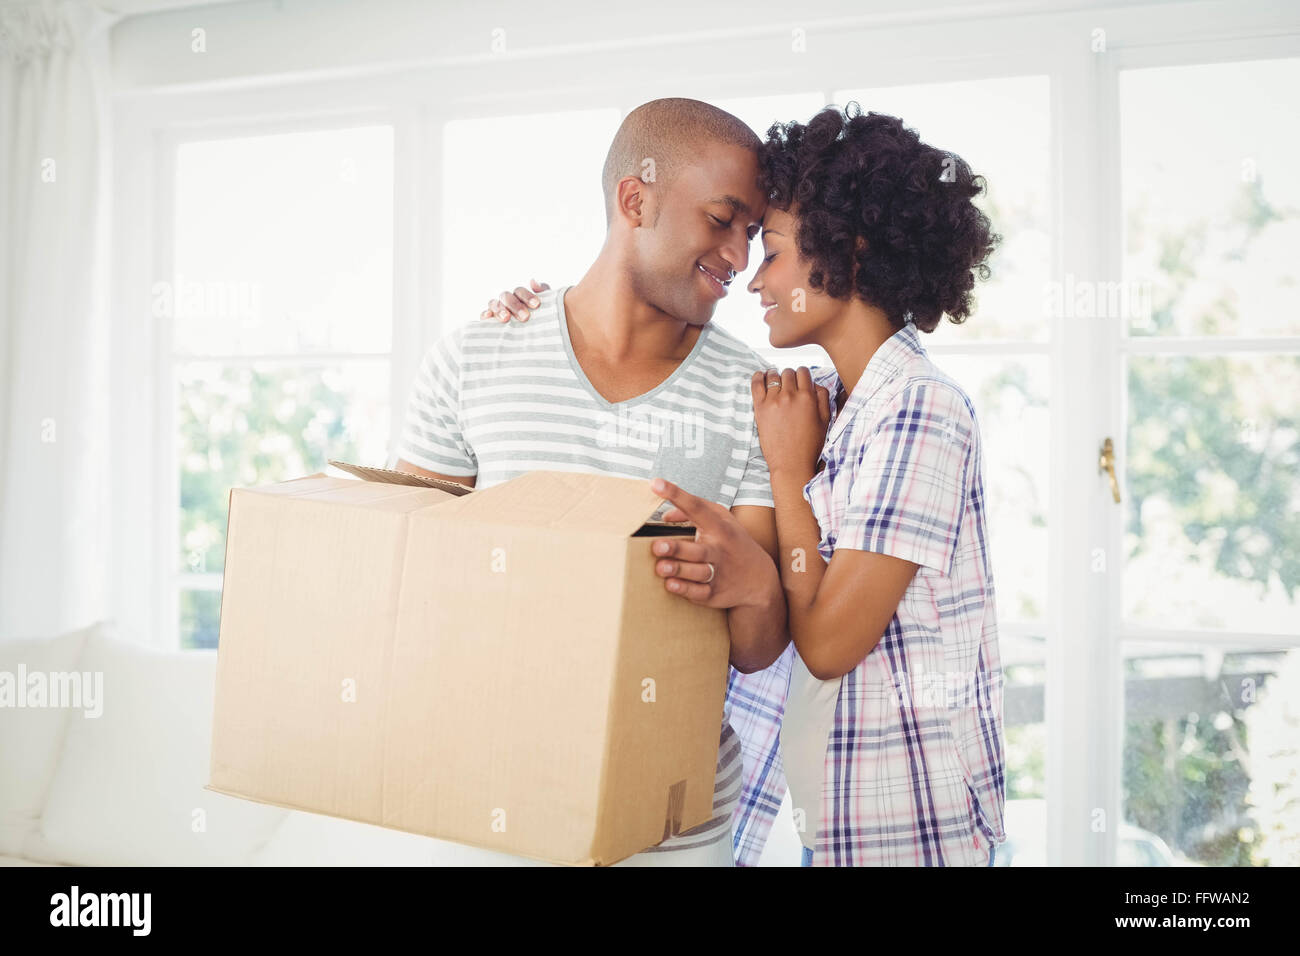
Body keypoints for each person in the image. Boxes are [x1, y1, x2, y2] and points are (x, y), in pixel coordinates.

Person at [488, 102, 1007, 866]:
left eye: (774, 251)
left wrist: (792, 474)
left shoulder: (920, 411)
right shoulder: (834, 398)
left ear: (847, 256)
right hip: (830, 817)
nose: (751, 276)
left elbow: (827, 643)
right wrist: (528, 310)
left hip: (907, 823)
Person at [391, 97, 789, 866]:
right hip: (495, 806)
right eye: (721, 220)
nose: (740, 259)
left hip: (673, 826)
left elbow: (755, 649)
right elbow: (408, 583)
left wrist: (757, 586)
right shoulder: (475, 359)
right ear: (634, 200)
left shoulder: (753, 394)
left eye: (751, 233)